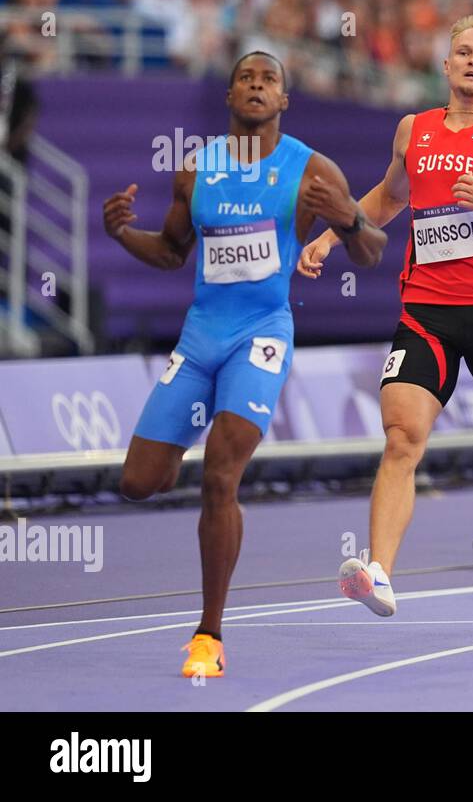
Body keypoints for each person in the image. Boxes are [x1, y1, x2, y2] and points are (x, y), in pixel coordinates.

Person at [102, 51, 387, 677]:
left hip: (261, 336)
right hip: (201, 337)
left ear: (284, 100)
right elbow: (173, 251)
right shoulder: (196, 170)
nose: (257, 85)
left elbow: (372, 251)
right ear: (230, 95)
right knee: (138, 482)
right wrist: (124, 234)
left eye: (270, 80)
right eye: (246, 78)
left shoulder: (311, 170)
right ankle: (207, 498)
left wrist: (349, 219)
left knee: (221, 476)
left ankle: (209, 633)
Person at [297, 16, 473, 618]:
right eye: (463, 52)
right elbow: (390, 196)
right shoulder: (415, 130)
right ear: (446, 65)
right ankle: (378, 572)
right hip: (425, 310)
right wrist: (331, 236)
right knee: (402, 438)